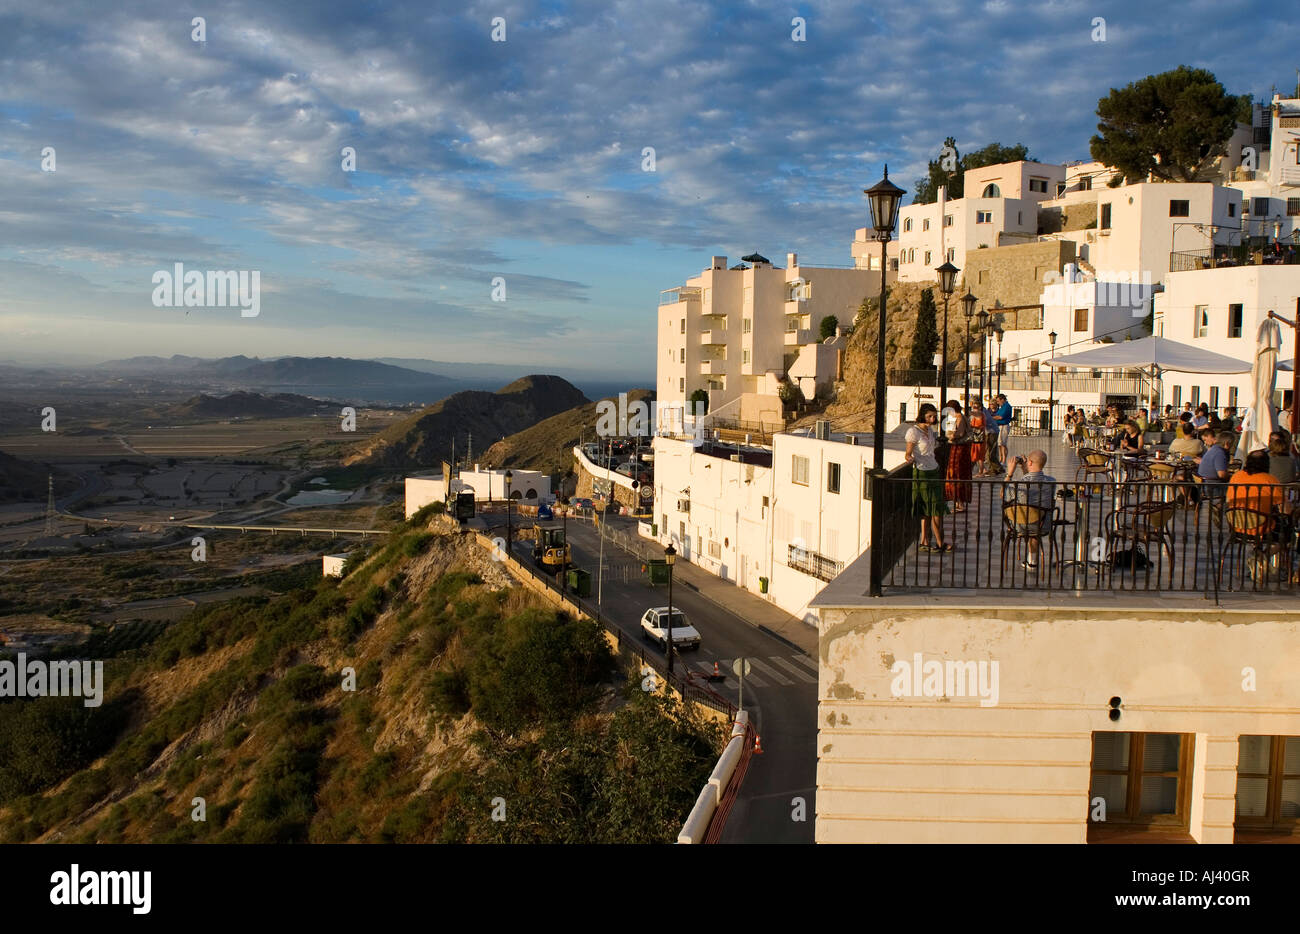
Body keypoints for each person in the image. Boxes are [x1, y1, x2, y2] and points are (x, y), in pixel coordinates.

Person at [905, 403, 951, 552]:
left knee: (934, 508)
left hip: (933, 469)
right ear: (923, 415)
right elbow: (909, 452)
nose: (933, 418)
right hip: (922, 471)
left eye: (934, 416)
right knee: (929, 508)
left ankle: (926, 540)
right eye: (929, 416)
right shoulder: (914, 432)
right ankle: (938, 542)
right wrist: (909, 457)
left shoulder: (930, 430)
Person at [1004, 449, 1057, 570]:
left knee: (1028, 516)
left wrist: (1009, 474)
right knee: (1035, 517)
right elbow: (1032, 488)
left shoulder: (1018, 483)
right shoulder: (1051, 482)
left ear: (1031, 463)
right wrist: (1025, 470)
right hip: (1042, 524)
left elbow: (1004, 495)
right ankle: (1032, 561)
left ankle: (1032, 560)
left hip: (1019, 525)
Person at [1226, 449, 1290, 536]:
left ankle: (1258, 549)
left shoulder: (1236, 476)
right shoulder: (1270, 480)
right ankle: (1269, 550)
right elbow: (1285, 509)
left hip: (1237, 526)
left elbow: (1229, 498)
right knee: (1287, 534)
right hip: (1261, 528)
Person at [942, 400, 972, 512]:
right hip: (956, 447)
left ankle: (959, 502)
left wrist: (950, 436)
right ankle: (957, 502)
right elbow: (948, 431)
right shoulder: (954, 418)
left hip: (959, 448)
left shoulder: (959, 418)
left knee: (957, 473)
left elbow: (957, 433)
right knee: (955, 473)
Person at [992, 394, 1013, 468]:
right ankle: (1001, 459)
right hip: (999, 426)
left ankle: (1003, 460)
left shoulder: (1006, 406)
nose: (997, 403)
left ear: (1002, 400)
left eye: (998, 401)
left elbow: (1000, 417)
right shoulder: (1002, 407)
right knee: (1000, 444)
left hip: (1003, 426)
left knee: (1003, 443)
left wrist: (991, 418)